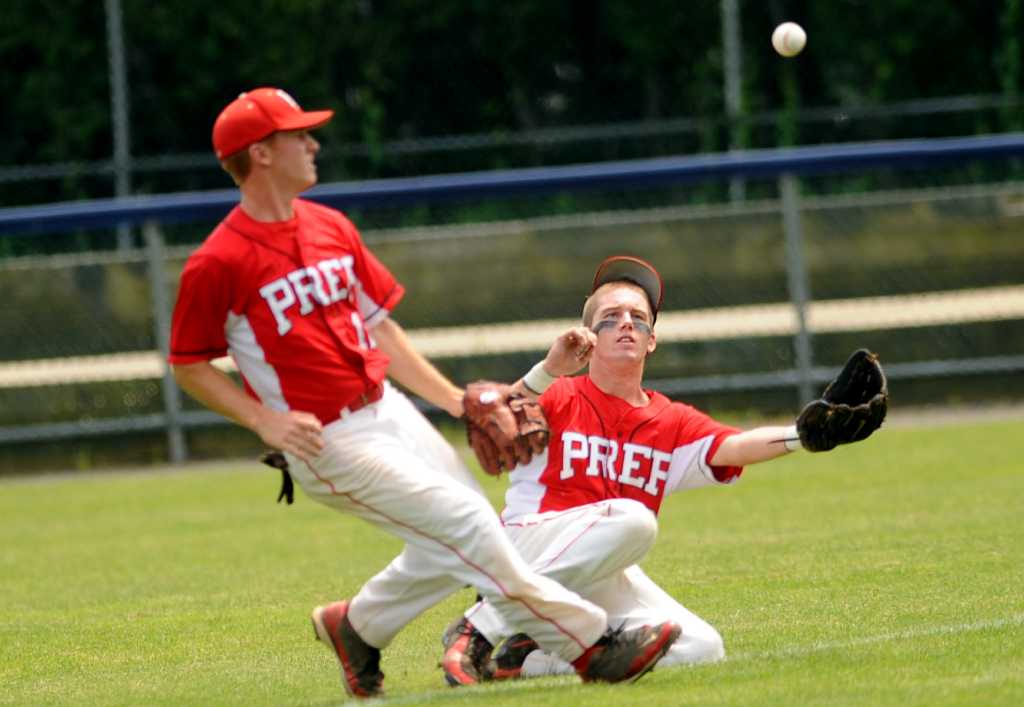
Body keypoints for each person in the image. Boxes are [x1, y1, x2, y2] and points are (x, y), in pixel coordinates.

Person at [167, 88, 680, 699]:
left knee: (471, 532)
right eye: (296, 134)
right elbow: (188, 364)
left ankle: (356, 627)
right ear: (260, 154)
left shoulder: (329, 225)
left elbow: (379, 325)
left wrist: (454, 398)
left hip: (386, 408)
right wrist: (263, 422)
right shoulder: (218, 262)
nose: (312, 143)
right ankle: (590, 646)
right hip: (324, 440)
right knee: (466, 524)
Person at [440, 254, 878, 683]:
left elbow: (734, 445)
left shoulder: (670, 421)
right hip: (528, 548)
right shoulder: (560, 395)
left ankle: (527, 658)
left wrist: (804, 434)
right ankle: (480, 628)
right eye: (610, 317)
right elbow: (498, 424)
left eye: (638, 317)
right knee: (634, 520)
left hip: (599, 568)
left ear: (652, 340)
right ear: (588, 337)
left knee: (701, 647)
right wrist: (548, 369)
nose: (626, 323)